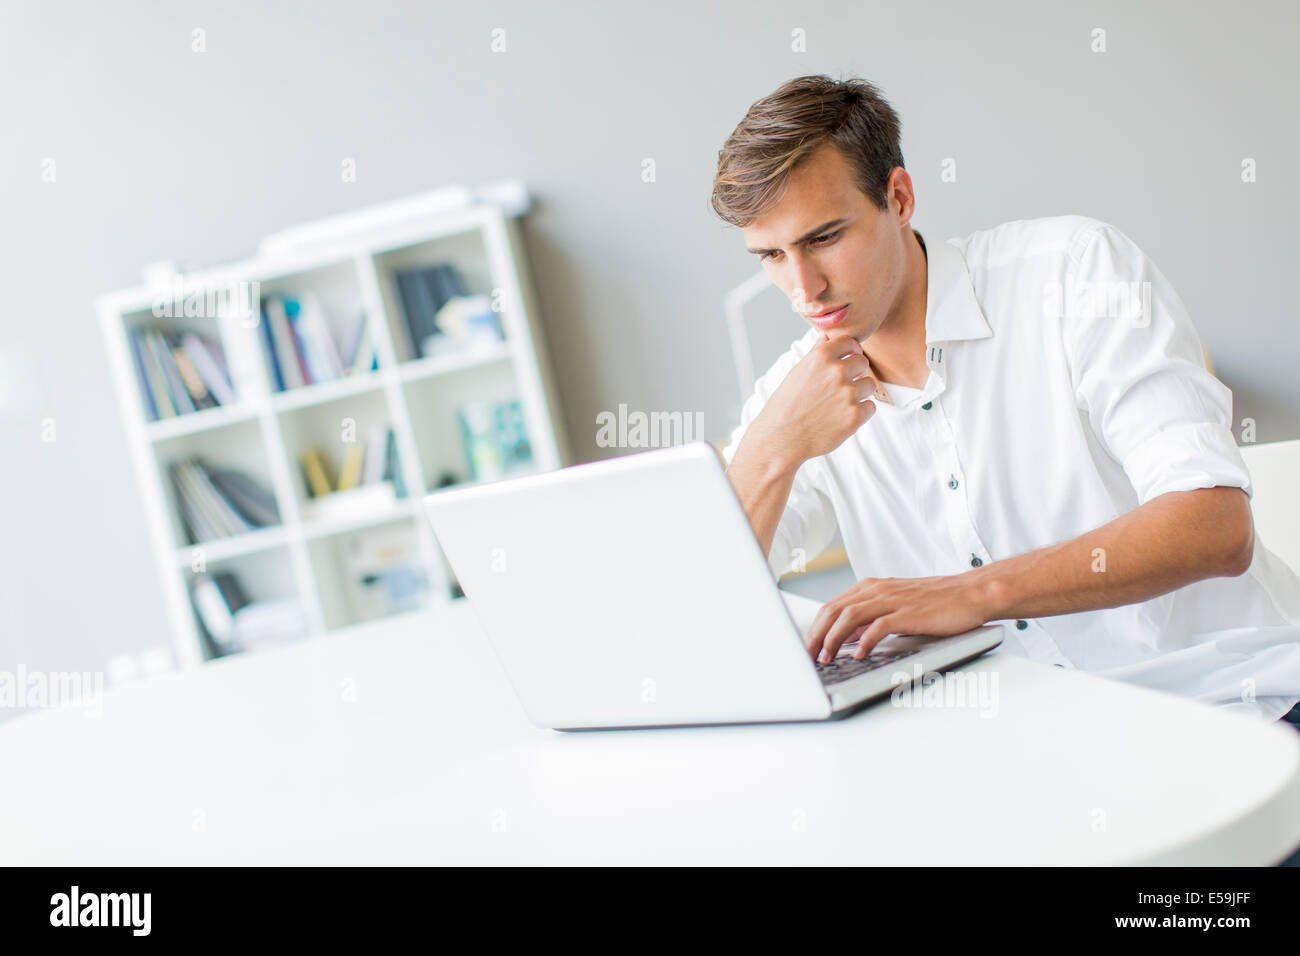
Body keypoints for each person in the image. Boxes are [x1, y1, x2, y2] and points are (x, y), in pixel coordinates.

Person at [712, 75, 1300, 863]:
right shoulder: (797, 396)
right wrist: (772, 450)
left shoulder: (1072, 273)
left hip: (1241, 724)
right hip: (1034, 785)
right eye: (770, 256)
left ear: (900, 195)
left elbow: (1213, 525)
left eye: (823, 237)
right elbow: (711, 612)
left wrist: (973, 594)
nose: (802, 287)